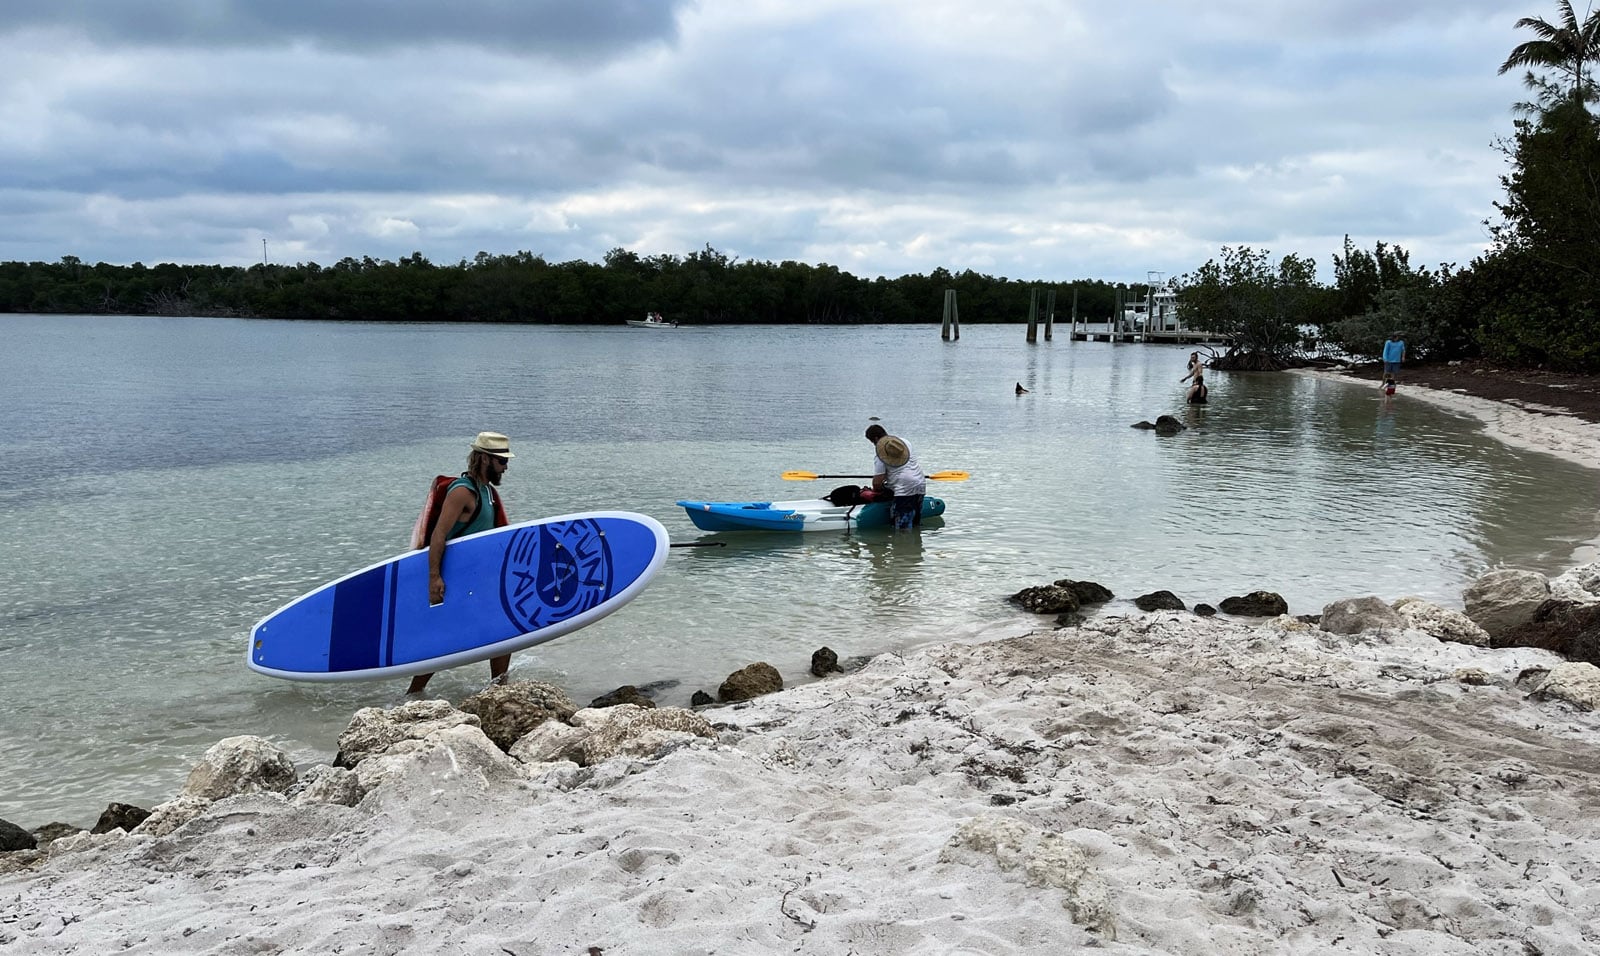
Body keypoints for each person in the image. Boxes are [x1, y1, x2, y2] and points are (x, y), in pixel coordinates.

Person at [406, 431, 515, 695]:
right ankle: (413, 693)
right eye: (501, 461)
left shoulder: (486, 492)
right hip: (456, 577)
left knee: (503, 629)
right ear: (485, 459)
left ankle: (498, 688)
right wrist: (434, 577)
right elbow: (439, 534)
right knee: (443, 635)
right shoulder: (462, 492)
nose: (506, 466)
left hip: (478, 578)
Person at [864, 424, 927, 530]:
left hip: (904, 490)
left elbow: (877, 482)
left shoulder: (880, 454)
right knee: (915, 525)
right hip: (920, 483)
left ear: (875, 439)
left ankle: (902, 545)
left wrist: (878, 491)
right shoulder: (903, 442)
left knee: (903, 530)